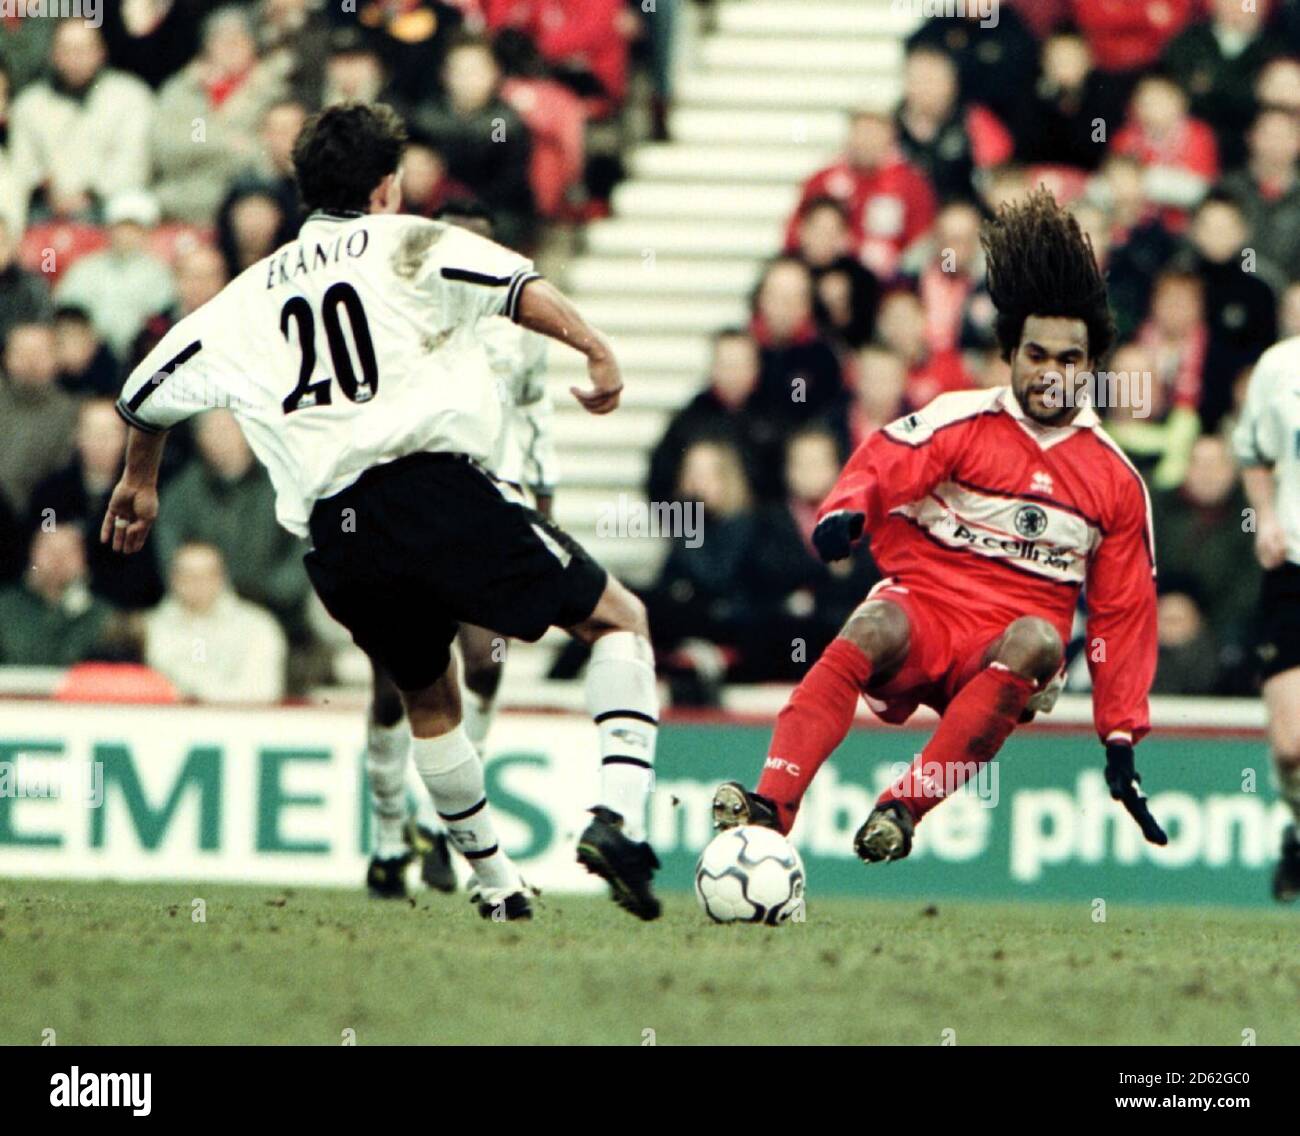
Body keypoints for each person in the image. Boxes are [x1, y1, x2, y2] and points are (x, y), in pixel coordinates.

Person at [103, 101, 661, 921]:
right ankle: (620, 820)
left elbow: (144, 394)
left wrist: (138, 483)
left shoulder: (248, 293)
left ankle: (498, 885)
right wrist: (598, 350)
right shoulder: (408, 242)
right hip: (433, 490)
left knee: (428, 699)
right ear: (387, 187)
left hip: (340, 537)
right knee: (620, 620)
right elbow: (518, 285)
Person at [711, 189, 1167, 866]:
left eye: (1068, 360)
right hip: (926, 608)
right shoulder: (959, 420)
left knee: (1043, 639)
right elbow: (887, 462)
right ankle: (771, 803)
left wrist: (1121, 735)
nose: (1050, 373)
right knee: (870, 627)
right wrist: (846, 511)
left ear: (1090, 367)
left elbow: (1122, 613)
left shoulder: (1115, 480)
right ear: (1010, 354)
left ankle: (903, 809)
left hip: (1008, 640)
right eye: (1036, 355)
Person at [362, 199, 560, 901]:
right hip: (404, 511)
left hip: (487, 511)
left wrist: (544, 501)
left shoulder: (518, 329)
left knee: (485, 660)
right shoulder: (398, 317)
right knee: (397, 683)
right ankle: (389, 832)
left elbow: (536, 410)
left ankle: (451, 831)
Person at [1232, 334, 1300, 901]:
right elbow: (1254, 452)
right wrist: (1267, 518)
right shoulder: (1281, 366)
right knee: (1290, 747)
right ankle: (1298, 833)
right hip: (1294, 571)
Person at [145, 541, 287, 704]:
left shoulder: (259, 626)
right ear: (173, 579)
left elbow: (263, 692)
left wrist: (197, 693)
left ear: (222, 577)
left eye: (206, 574)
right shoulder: (151, 628)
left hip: (240, 724)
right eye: (188, 575)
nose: (197, 583)